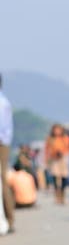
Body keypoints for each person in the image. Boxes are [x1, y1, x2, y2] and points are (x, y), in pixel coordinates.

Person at [0, 73, 15, 233]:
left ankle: (9, 220)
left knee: (2, 181)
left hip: (1, 144)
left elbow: (3, 131)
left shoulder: (2, 103)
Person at [44, 123, 69, 203]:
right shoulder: (50, 139)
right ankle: (57, 196)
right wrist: (47, 159)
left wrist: (62, 153)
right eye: (55, 130)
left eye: (58, 129)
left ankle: (62, 195)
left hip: (63, 159)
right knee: (55, 177)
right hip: (54, 159)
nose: (57, 131)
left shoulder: (65, 138)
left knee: (64, 177)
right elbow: (47, 150)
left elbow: (68, 148)